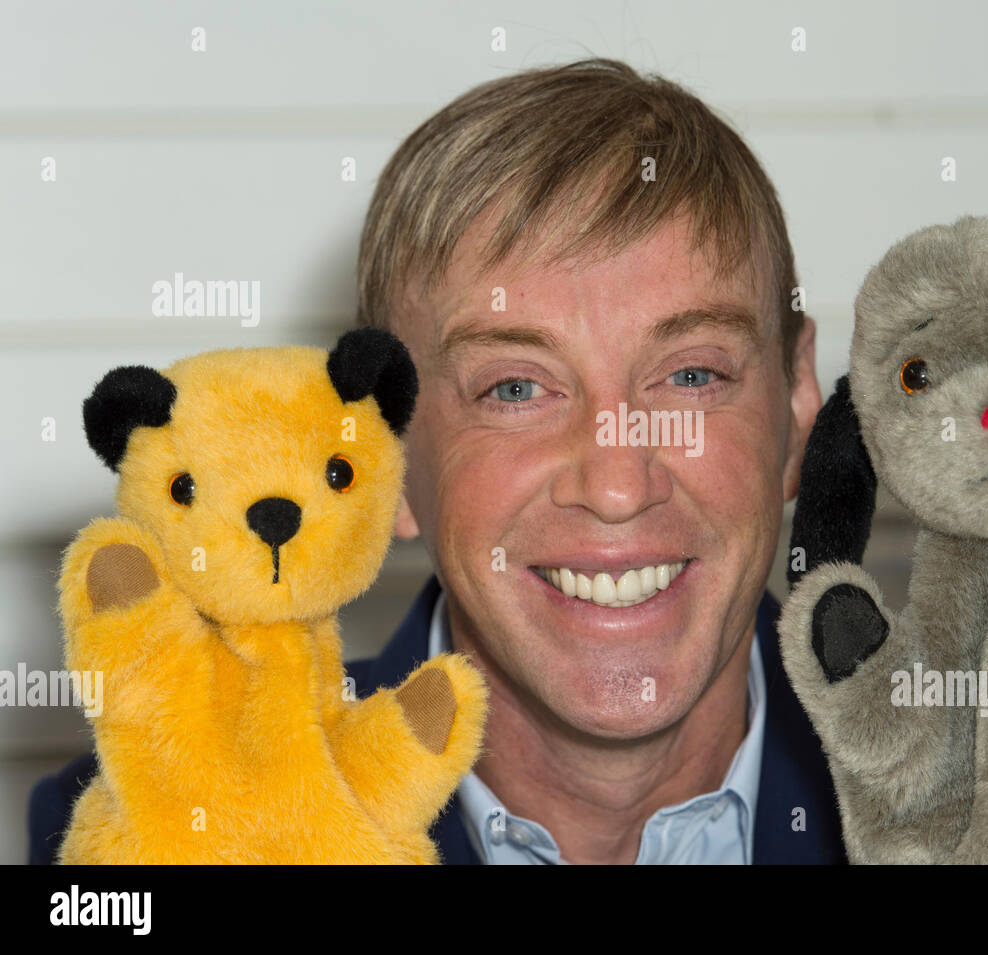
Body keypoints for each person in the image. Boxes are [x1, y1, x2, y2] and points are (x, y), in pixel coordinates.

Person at [29, 57, 843, 865]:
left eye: (692, 375)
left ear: (798, 402)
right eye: (517, 387)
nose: (619, 484)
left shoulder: (962, 813)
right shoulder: (136, 837)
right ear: (387, 455)